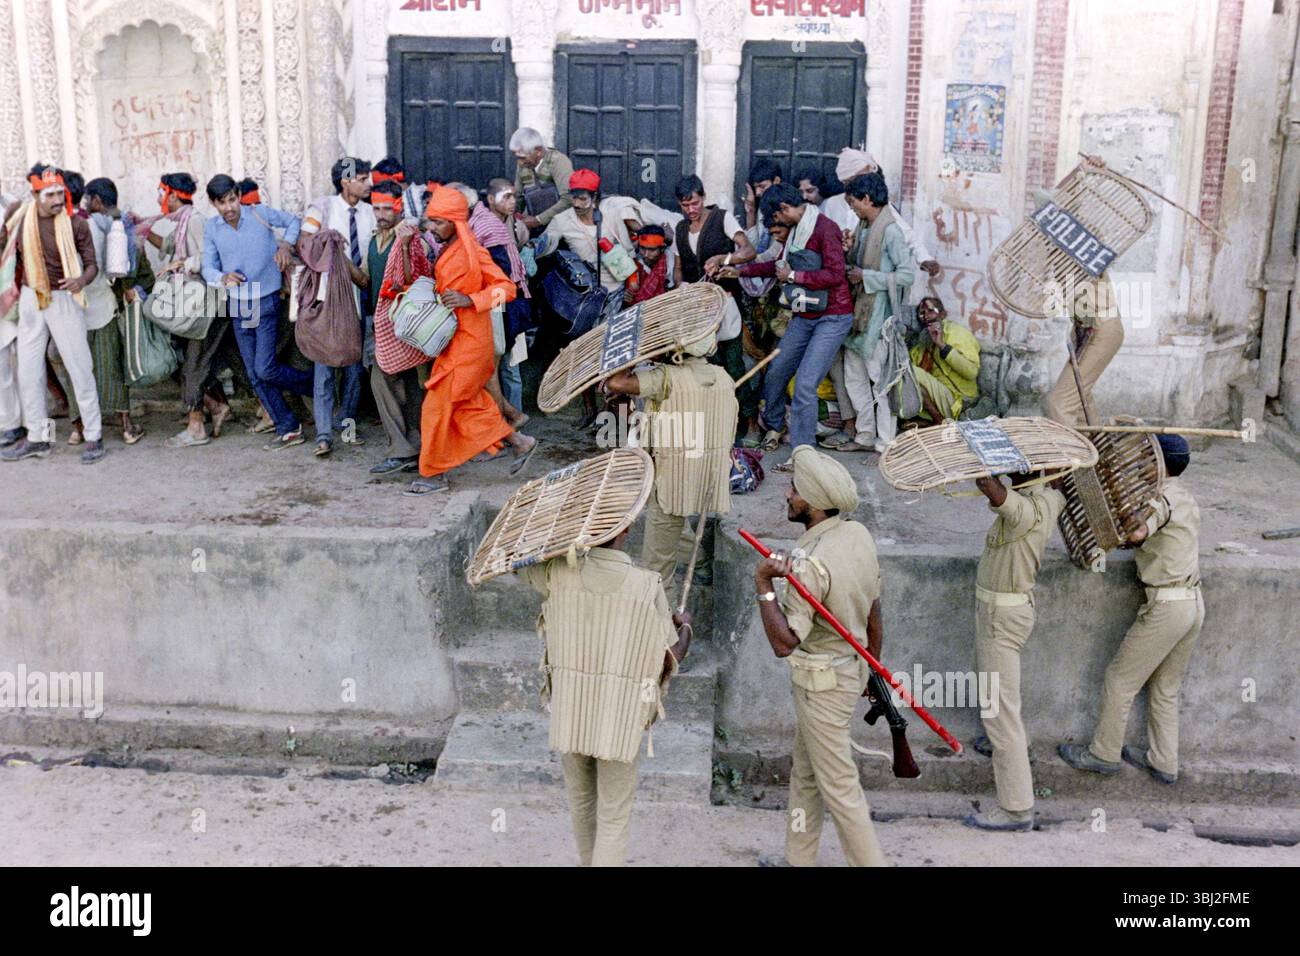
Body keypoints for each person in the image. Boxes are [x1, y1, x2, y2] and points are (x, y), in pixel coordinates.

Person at [517, 524, 690, 866]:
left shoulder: (556, 573)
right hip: (621, 716)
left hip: (570, 708)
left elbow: (518, 561)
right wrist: (686, 627)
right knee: (613, 814)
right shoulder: (645, 584)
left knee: (581, 802)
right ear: (623, 529)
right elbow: (670, 656)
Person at [752, 445, 888, 867]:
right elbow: (874, 610)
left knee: (840, 788)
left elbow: (784, 643)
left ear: (811, 504)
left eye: (794, 491)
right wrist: (870, 667)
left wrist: (763, 584)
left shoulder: (809, 563)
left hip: (820, 685)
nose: (788, 496)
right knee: (806, 776)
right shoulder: (857, 535)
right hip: (848, 671)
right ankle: (799, 858)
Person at [1059, 435, 1203, 786]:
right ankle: (1163, 761)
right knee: (1166, 687)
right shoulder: (1186, 496)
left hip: (1167, 605)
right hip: (1193, 604)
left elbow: (1139, 532)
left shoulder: (1160, 497)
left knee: (1119, 680)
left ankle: (1103, 755)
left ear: (1156, 462)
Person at [407, 185, 537, 496]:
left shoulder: (473, 250)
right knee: (469, 405)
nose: (432, 227)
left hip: (472, 345)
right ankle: (520, 442)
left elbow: (507, 290)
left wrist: (470, 300)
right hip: (455, 343)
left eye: (438, 222)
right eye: (430, 221)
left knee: (436, 409)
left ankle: (432, 475)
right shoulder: (448, 249)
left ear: (454, 222)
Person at [716, 183, 853, 470]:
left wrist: (795, 275)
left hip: (832, 316)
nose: (777, 226)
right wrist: (739, 270)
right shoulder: (797, 231)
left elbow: (836, 274)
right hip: (806, 314)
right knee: (777, 369)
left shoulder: (824, 228)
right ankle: (776, 425)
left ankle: (804, 454)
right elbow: (775, 266)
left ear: (784, 210)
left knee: (804, 384)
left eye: (777, 219)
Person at [603, 328, 737, 608]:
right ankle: (699, 562)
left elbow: (616, 382)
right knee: (672, 522)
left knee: (656, 567)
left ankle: (666, 638)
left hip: (671, 476)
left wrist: (636, 351)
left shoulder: (666, 378)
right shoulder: (724, 378)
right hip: (703, 474)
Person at [964, 468, 1066, 831]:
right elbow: (1053, 484)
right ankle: (1010, 751)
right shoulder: (1050, 499)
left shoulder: (1023, 511)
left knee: (1000, 711)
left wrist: (981, 463)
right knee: (1001, 699)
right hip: (1011, 609)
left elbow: (989, 487)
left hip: (1000, 614)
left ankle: (1016, 808)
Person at [0, 165, 104, 465]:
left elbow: (92, 265)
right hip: (32, 297)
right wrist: (6, 219)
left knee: (79, 367)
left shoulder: (75, 224)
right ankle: (38, 438)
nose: (59, 199)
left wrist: (80, 281)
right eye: (51, 195)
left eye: (61, 193)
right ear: (36, 195)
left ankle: (94, 435)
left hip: (64, 298)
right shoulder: (20, 219)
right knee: (29, 373)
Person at [200, 173, 310, 449]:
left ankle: (313, 386)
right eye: (221, 203)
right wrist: (221, 277)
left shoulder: (259, 214)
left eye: (232, 200)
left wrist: (286, 244)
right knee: (254, 373)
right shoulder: (212, 228)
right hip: (240, 304)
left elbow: (294, 222)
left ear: (238, 196)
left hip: (266, 300)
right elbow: (207, 266)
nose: (229, 208)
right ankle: (288, 427)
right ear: (213, 204)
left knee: (264, 368)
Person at [821, 172, 916, 454]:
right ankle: (864, 435)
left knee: (880, 382)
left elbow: (907, 275)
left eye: (854, 203)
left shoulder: (891, 231)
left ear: (867, 198)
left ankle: (885, 443)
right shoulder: (864, 227)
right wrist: (848, 251)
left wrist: (867, 277)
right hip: (859, 314)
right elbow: (856, 265)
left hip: (879, 318)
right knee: (854, 377)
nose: (852, 209)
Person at [668, 174, 754, 441]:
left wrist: (724, 257)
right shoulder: (681, 230)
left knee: (733, 364)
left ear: (703, 197)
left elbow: (749, 250)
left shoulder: (723, 218)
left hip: (726, 303)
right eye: (685, 205)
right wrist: (682, 293)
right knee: (707, 366)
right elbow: (679, 269)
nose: (691, 210)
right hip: (697, 309)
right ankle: (718, 425)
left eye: (694, 203)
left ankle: (749, 424)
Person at [299, 156, 374, 457]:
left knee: (355, 368)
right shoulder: (322, 209)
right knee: (324, 366)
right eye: (362, 178)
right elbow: (304, 243)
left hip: (362, 298)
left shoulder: (371, 212)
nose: (368, 183)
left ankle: (348, 426)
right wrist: (332, 250)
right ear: (345, 181)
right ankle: (323, 434)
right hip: (330, 300)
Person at [155, 172, 236, 448]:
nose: (158, 199)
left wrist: (181, 265)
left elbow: (210, 258)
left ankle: (197, 427)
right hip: (195, 305)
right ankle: (217, 407)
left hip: (206, 305)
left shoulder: (196, 221)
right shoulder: (182, 223)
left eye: (161, 192)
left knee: (195, 364)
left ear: (173, 195)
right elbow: (171, 249)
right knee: (197, 361)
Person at [367, 181, 430, 476]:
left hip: (409, 323)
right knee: (409, 388)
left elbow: (413, 278)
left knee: (383, 381)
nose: (380, 214)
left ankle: (403, 449)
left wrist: (404, 245)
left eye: (386, 208)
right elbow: (368, 282)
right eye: (375, 208)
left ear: (399, 207)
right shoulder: (373, 241)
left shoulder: (410, 237)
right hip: (385, 325)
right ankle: (415, 448)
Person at [84, 176, 150, 445]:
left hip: (92, 305)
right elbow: (133, 270)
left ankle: (82, 428)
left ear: (97, 201)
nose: (86, 203)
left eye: (89, 199)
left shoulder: (87, 227)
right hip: (115, 306)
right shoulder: (124, 227)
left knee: (89, 367)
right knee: (114, 366)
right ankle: (126, 425)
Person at [483, 177, 534, 412]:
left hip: (516, 301)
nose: (513, 201)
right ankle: (497, 423)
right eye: (507, 196)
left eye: (514, 196)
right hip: (494, 303)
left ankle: (515, 423)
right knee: (491, 366)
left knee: (513, 366)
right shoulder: (483, 227)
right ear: (491, 200)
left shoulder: (514, 224)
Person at [903, 296, 980, 425]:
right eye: (922, 313)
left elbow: (972, 372)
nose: (926, 316)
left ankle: (938, 421)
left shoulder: (958, 334)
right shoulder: (921, 344)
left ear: (943, 314)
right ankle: (931, 419)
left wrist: (942, 346)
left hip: (959, 401)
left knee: (909, 371)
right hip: (939, 400)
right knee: (904, 372)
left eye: (931, 311)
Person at [510, 127, 575, 231]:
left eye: (522, 158)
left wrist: (538, 220)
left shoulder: (559, 161)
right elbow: (518, 196)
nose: (519, 163)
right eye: (517, 158)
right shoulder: (523, 165)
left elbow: (568, 199)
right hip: (534, 227)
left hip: (561, 227)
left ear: (538, 151)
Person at [624, 225, 673, 306]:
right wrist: (626, 296)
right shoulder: (635, 264)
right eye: (643, 248)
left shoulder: (671, 261)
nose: (646, 254)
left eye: (652, 250)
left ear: (662, 249)